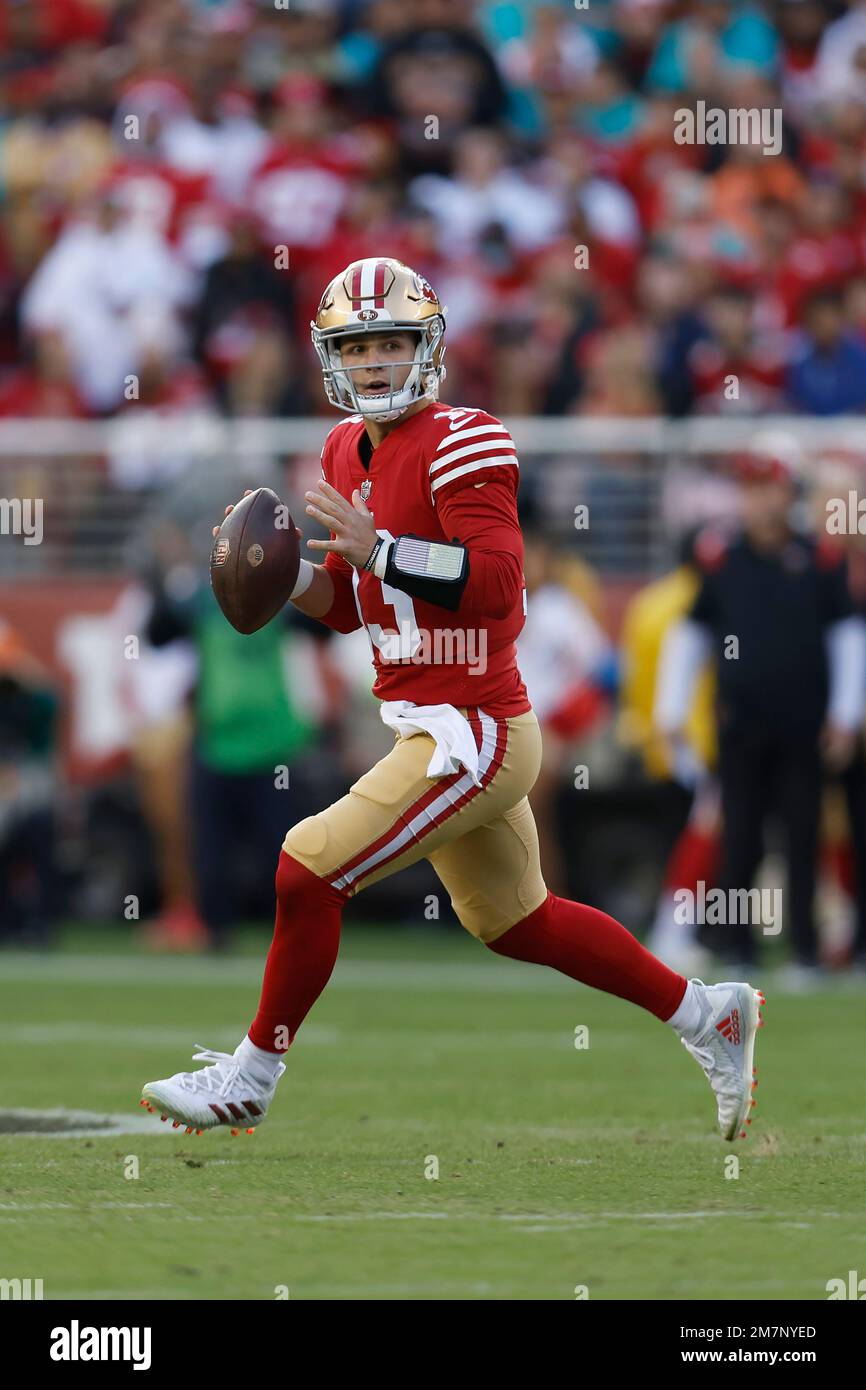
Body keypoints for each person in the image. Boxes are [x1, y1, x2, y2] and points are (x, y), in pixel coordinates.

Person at [141, 257, 764, 1141]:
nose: (377, 363)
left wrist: (383, 549)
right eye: (359, 348)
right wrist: (284, 583)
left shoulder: (466, 437)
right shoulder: (340, 450)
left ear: (427, 347)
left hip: (474, 729)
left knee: (305, 864)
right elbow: (357, 608)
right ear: (333, 358)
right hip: (426, 723)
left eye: (393, 342)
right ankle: (710, 1014)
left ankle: (252, 1074)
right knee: (520, 923)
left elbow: (502, 588)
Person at [655, 434, 866, 985]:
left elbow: (847, 639)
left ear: (786, 493)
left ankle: (805, 951)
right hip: (740, 724)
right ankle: (737, 946)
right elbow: (692, 635)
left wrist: (845, 715)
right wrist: (671, 709)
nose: (759, 501)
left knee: (802, 835)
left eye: (768, 487)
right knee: (740, 835)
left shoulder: (818, 560)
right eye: (750, 488)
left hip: (802, 725)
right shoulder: (723, 560)